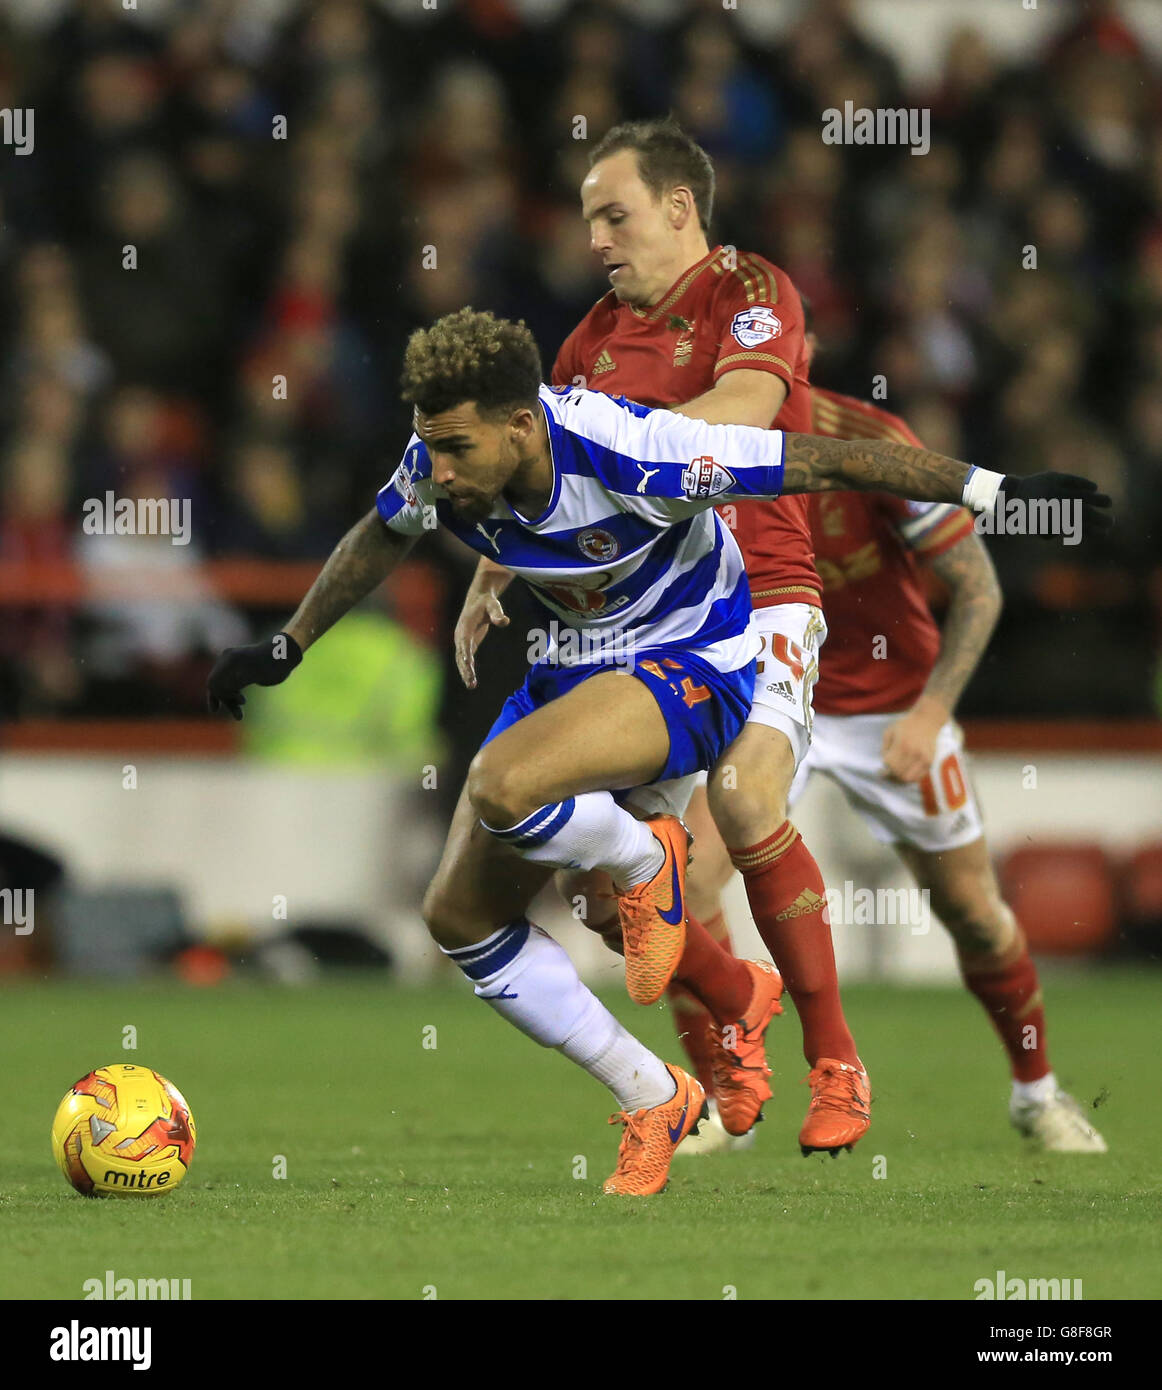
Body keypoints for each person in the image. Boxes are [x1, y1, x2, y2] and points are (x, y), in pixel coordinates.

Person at [207, 306, 1109, 1195]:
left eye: (456, 449)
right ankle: (658, 1092)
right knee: (460, 920)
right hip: (575, 670)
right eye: (430, 447)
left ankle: (652, 866)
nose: (438, 471)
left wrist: (995, 490)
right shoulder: (436, 464)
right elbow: (380, 532)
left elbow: (825, 460)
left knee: (501, 784)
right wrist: (288, 644)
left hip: (696, 666)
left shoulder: (636, 450)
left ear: (523, 426)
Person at [456, 116, 871, 1155]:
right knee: (603, 896)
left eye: (615, 213)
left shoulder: (750, 292)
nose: (596, 237)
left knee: (742, 796)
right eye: (589, 217)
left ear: (678, 208)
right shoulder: (587, 340)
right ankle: (736, 1011)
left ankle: (836, 1060)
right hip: (643, 620)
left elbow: (741, 411)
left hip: (763, 588)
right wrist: (489, 569)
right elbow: (532, 467)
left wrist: (623, 441)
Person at [673, 349, 1107, 1154]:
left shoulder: (869, 443)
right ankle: (724, 1097)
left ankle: (1036, 1093)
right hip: (775, 693)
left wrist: (933, 710)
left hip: (891, 708)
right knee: (688, 879)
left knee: (973, 913)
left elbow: (979, 587)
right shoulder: (701, 444)